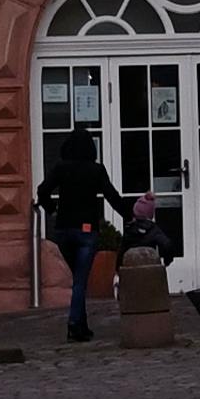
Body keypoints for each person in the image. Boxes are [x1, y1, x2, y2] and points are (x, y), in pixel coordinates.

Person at [34, 125, 126, 343]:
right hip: (86, 230)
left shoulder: (60, 168)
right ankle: (75, 324)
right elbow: (111, 195)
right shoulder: (96, 170)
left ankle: (82, 324)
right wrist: (129, 215)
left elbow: (42, 189)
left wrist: (51, 210)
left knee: (78, 278)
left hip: (64, 229)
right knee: (80, 281)